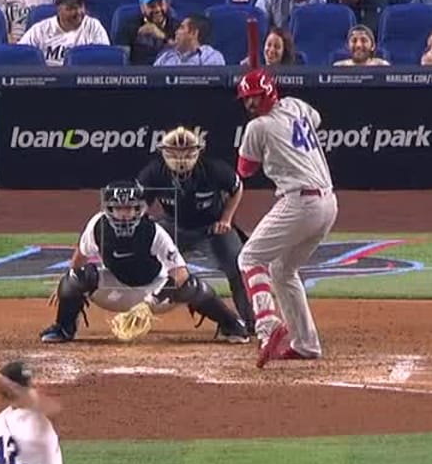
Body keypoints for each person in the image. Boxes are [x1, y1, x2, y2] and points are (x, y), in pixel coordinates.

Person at [40, 182, 249, 344]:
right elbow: (81, 254)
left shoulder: (153, 231)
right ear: (109, 209)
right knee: (76, 276)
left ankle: (231, 325)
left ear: (140, 208)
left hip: (153, 294)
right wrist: (66, 287)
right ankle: (64, 328)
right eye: (119, 208)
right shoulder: (97, 226)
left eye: (130, 208)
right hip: (115, 292)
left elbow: (181, 272)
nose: (125, 214)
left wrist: (151, 301)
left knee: (191, 285)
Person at [233, 68, 338, 368]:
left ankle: (267, 326)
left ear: (265, 94)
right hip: (328, 203)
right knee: (282, 270)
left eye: (253, 99)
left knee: (249, 257)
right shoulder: (296, 105)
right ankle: (305, 344)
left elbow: (245, 170)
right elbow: (315, 121)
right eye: (246, 100)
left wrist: (265, 143)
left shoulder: (258, 127)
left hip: (300, 202)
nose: (250, 105)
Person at [136, 127, 256, 335]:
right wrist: (142, 224)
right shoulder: (154, 172)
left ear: (198, 152)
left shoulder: (214, 170)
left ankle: (251, 322)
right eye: (174, 153)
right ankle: (136, 314)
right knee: (140, 256)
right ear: (164, 152)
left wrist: (226, 219)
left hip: (212, 227)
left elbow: (237, 188)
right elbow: (140, 203)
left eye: (187, 152)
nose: (181, 158)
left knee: (238, 266)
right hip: (173, 226)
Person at [17, 0, 110, 66]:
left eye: (81, 6)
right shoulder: (40, 30)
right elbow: (19, 55)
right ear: (59, 10)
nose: (78, 12)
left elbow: (105, 60)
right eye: (71, 8)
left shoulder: (93, 26)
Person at [153, 14, 226, 65]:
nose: (176, 32)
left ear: (194, 33)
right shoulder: (166, 56)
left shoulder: (211, 57)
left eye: (181, 28)